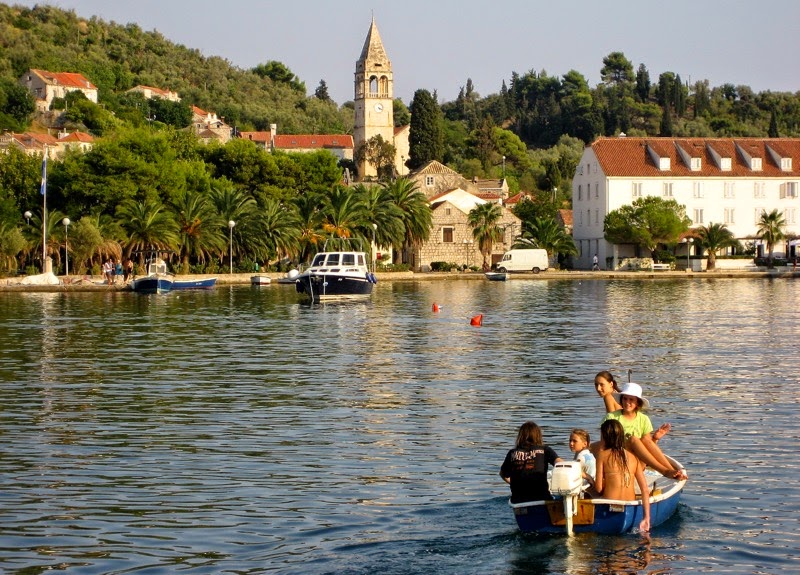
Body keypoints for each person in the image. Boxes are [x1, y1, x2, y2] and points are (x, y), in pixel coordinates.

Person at [602, 382, 687, 480]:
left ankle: (670, 469)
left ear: (637, 402)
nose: (627, 402)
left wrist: (654, 439)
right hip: (617, 457)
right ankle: (665, 471)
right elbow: (604, 444)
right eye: (625, 398)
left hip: (638, 461)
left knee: (645, 440)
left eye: (631, 399)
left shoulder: (644, 419)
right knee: (634, 439)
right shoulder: (611, 417)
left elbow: (648, 445)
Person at [594, 419, 651, 533]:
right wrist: (646, 518)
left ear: (605, 437)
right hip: (629, 506)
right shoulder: (633, 457)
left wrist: (588, 478)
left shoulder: (602, 455)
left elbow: (599, 488)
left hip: (609, 507)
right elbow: (645, 490)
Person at [594, 371, 671, 442]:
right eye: (596, 385)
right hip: (629, 441)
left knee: (635, 440)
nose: (598, 388)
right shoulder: (642, 418)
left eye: (602, 385)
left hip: (622, 439)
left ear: (611, 384)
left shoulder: (608, 397)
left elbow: (612, 425)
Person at [500, 421, 562, 503]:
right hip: (541, 498)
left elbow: (502, 474)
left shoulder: (512, 453)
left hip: (518, 500)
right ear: (538, 435)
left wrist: (514, 484)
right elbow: (561, 464)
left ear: (520, 436)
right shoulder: (545, 450)